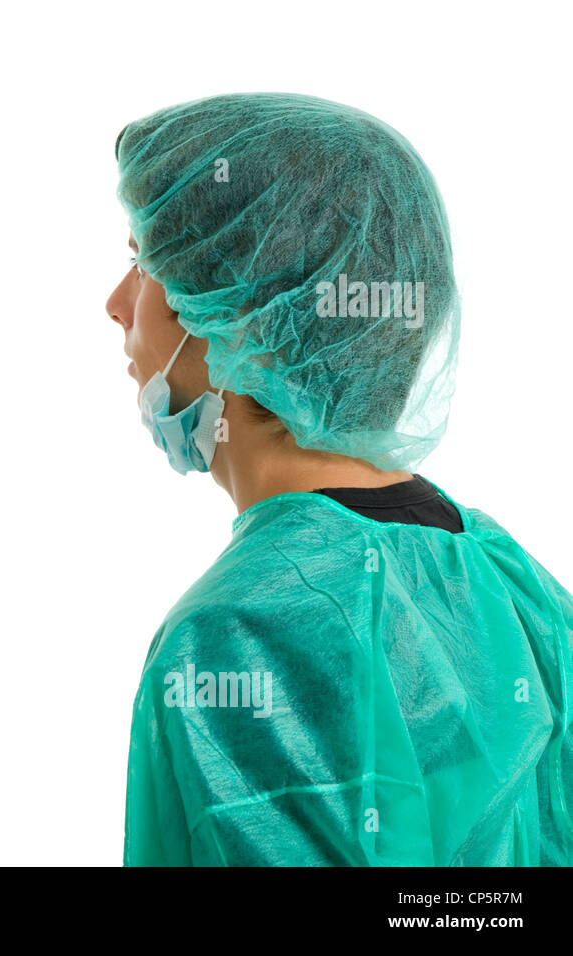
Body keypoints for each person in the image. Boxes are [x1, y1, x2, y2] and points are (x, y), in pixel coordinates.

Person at [106, 92, 573, 866]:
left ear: (251, 317)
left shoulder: (236, 632)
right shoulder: (523, 591)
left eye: (142, 262)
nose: (117, 304)